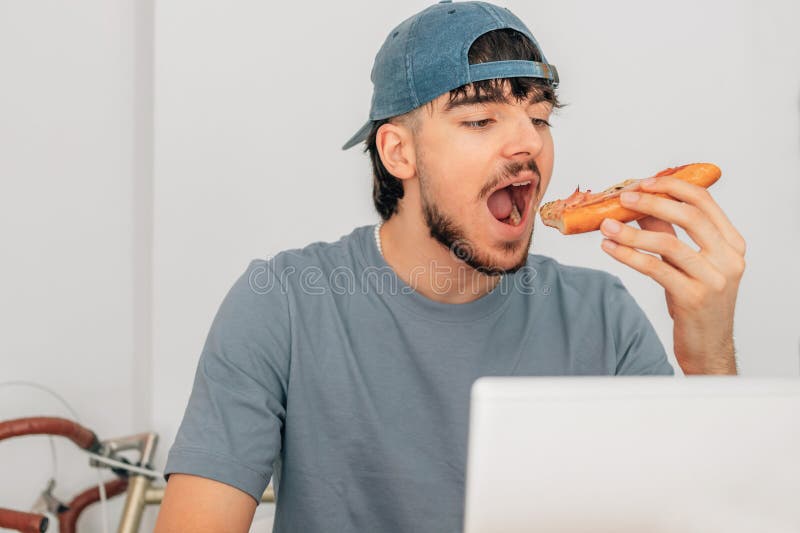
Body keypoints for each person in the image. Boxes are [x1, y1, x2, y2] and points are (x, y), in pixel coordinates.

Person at [154, 1, 746, 531]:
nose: (528, 146)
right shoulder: (281, 304)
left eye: (539, 118)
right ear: (398, 152)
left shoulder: (603, 317)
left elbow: (700, 515)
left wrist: (708, 357)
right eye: (480, 120)